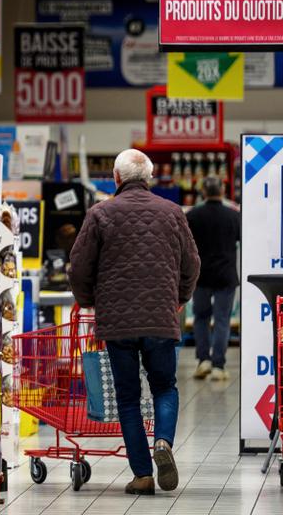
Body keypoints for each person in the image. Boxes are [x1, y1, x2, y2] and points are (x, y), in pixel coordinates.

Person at [69, 149, 201, 496]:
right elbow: (192, 263)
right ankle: (163, 442)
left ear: (116, 178)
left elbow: (79, 267)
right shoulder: (173, 213)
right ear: (150, 178)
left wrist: (88, 301)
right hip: (161, 317)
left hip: (117, 322)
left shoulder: (100, 213)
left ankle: (142, 474)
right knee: (164, 387)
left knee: (128, 398)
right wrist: (180, 299)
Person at [186, 176, 241, 382]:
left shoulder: (193, 215)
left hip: (200, 276)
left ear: (203, 192)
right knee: (222, 319)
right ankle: (218, 365)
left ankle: (203, 361)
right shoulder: (233, 216)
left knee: (201, 318)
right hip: (226, 276)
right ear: (223, 191)